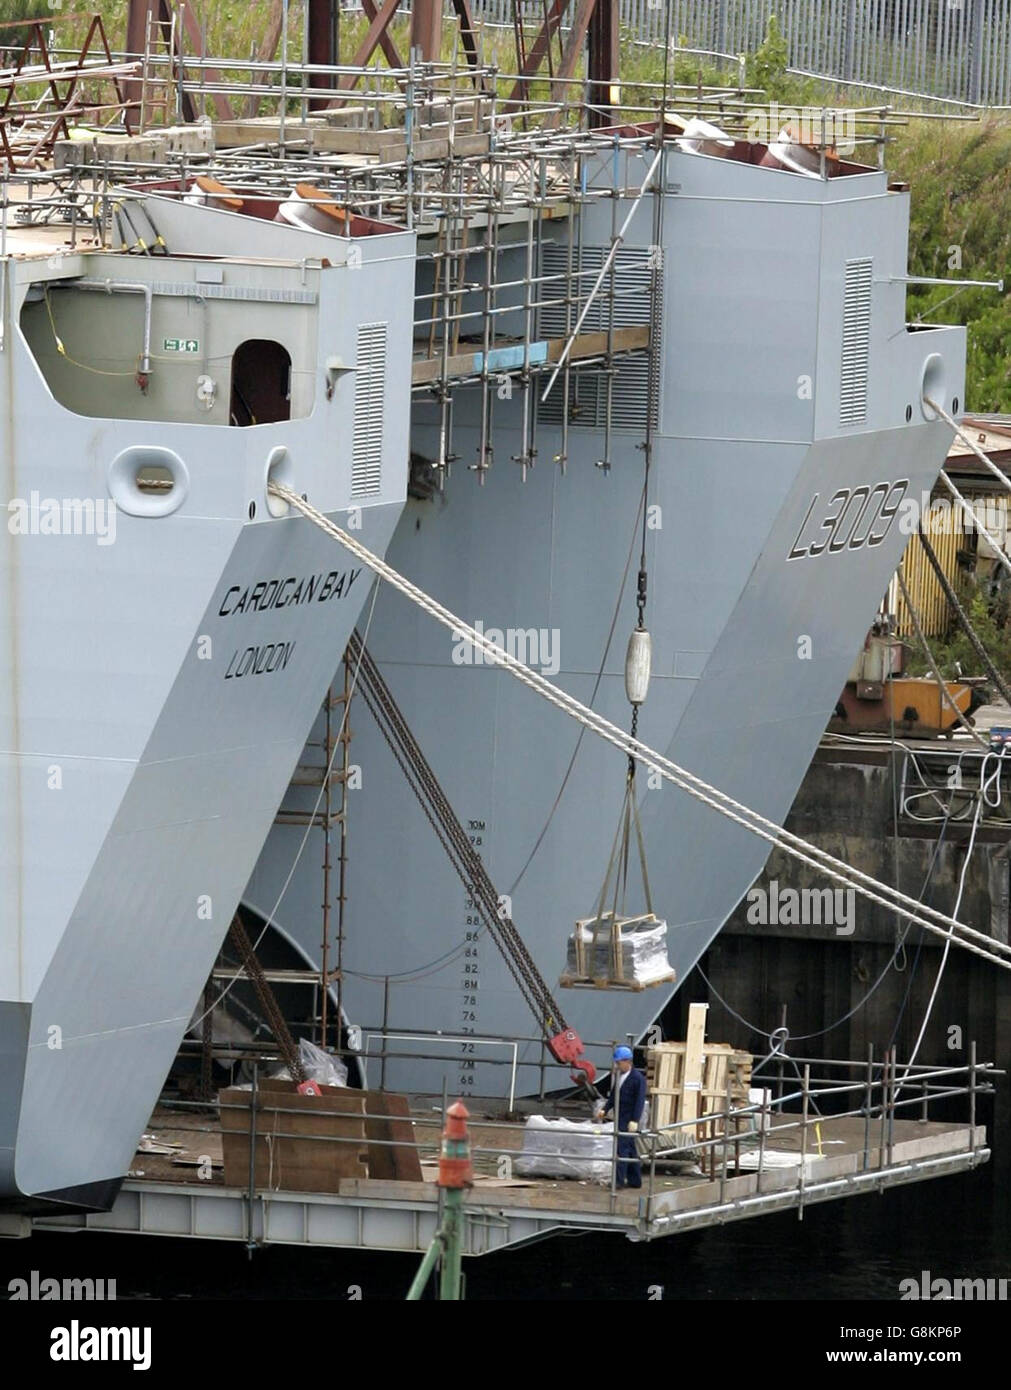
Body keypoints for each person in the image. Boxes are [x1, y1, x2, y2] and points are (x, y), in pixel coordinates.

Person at [599, 1045, 646, 1189]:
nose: (617, 1066)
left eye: (619, 1063)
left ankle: (619, 1181)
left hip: (628, 1118)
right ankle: (635, 1180)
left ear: (627, 1061)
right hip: (620, 1116)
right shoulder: (619, 1077)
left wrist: (635, 1120)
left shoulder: (637, 1079)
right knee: (630, 1150)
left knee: (622, 1150)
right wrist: (605, 1109)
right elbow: (614, 1096)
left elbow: (639, 1101)